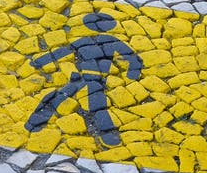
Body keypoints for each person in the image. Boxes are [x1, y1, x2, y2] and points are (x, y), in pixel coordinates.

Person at [25, 12, 143, 147]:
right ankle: (106, 133)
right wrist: (133, 72)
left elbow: (64, 51)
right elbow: (132, 58)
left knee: (87, 100)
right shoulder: (109, 41)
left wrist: (41, 61)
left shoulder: (102, 41)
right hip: (84, 76)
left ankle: (106, 133)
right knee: (73, 98)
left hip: (91, 78)